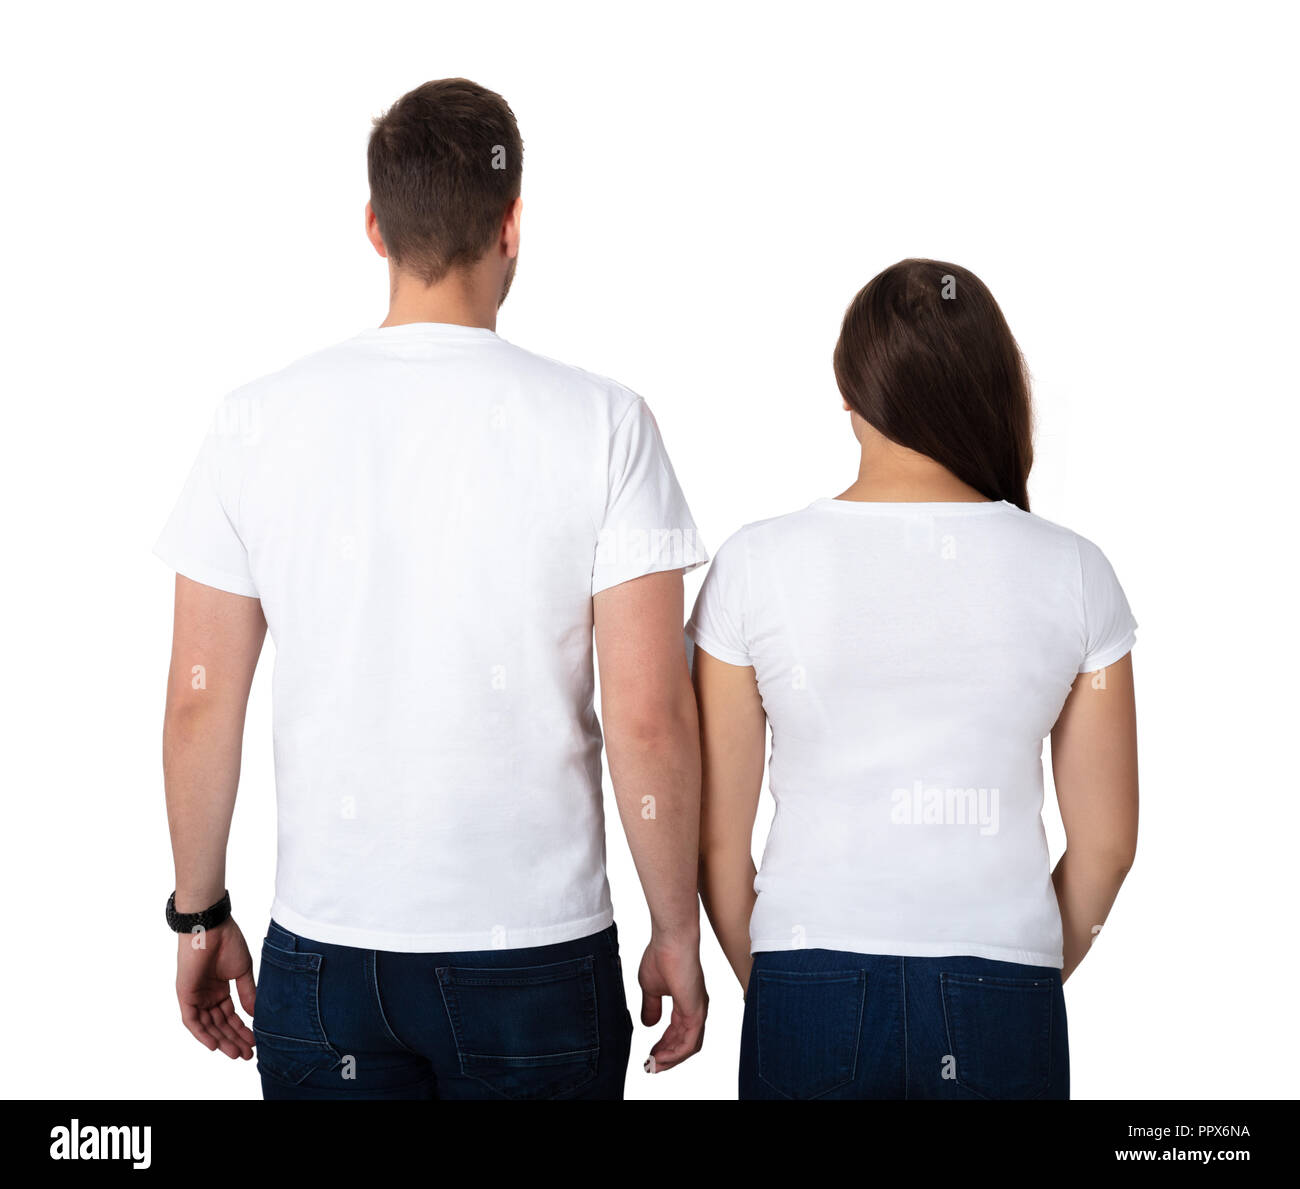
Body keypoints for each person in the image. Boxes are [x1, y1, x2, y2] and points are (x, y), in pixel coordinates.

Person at [156, 78, 709, 1100]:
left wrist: (199, 912)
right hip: (537, 957)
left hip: (326, 956)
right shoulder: (605, 423)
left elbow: (200, 700)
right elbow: (647, 717)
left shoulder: (255, 422)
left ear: (373, 226)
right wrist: (677, 925)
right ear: (511, 225)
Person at [688, 259, 1138, 1100]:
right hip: (1002, 983)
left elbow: (716, 844)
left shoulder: (754, 565)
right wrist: (1024, 973)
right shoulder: (1076, 573)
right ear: (994, 390)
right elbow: (1108, 846)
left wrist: (782, 983)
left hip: (805, 973)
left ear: (849, 394)